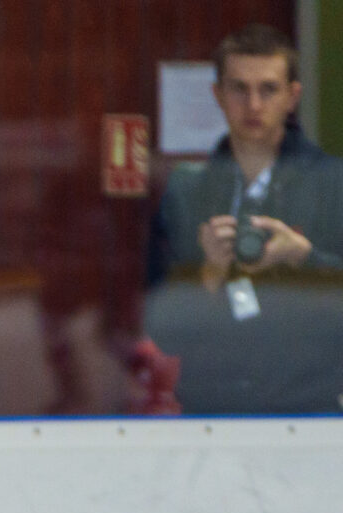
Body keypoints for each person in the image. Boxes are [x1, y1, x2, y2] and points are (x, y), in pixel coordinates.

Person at [145, 23, 343, 414]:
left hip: (309, 411)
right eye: (239, 88)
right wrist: (208, 274)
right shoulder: (188, 192)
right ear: (217, 95)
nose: (253, 105)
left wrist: (305, 258)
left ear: (292, 96)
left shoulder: (333, 184)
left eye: (268, 89)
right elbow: (160, 328)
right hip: (213, 412)